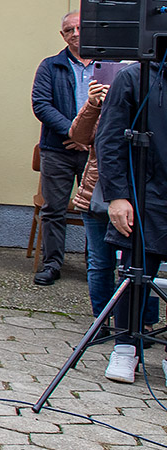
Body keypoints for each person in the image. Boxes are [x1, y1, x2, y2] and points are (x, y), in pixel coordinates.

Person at [70, 75, 154, 382]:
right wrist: (93, 104)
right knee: (100, 262)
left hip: (146, 196)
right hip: (99, 193)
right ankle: (103, 323)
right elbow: (79, 136)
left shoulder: (148, 97)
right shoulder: (115, 93)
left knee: (142, 261)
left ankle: (142, 323)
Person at [93, 59, 167, 380]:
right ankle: (125, 348)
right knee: (134, 276)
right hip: (144, 197)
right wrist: (118, 195)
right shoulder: (133, 77)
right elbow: (109, 139)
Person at [31, 10, 97, 286]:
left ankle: (94, 265)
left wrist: (89, 137)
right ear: (62, 35)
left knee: (95, 210)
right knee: (53, 209)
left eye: (80, 28)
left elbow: (119, 105)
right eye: (69, 30)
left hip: (95, 150)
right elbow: (42, 105)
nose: (75, 33)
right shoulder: (50, 66)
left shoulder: (109, 64)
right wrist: (73, 132)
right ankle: (52, 264)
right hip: (57, 149)